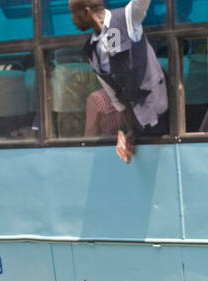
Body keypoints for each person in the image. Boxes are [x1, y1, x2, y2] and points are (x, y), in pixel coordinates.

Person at [70, 0, 169, 164]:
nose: (72, 19)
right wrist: (130, 129)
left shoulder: (126, 18)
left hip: (158, 112)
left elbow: (141, 3)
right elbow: (112, 93)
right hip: (136, 119)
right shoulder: (91, 48)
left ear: (87, 12)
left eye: (73, 13)